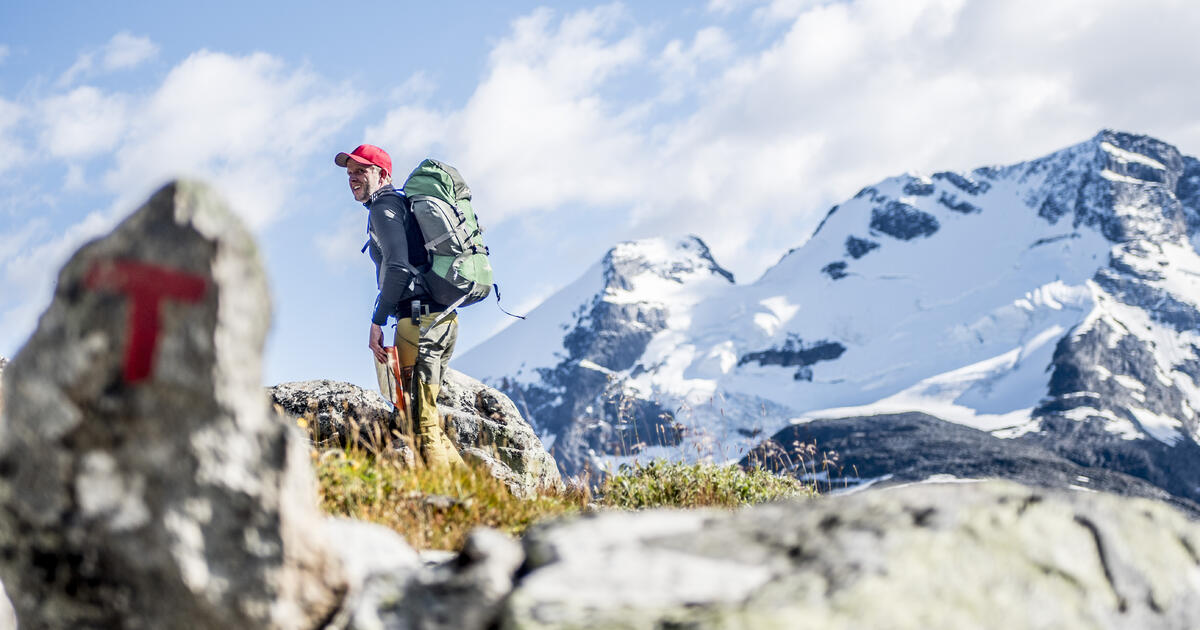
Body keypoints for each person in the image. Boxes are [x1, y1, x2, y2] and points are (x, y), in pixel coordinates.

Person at [335, 144, 465, 469]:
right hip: (437, 319)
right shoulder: (399, 206)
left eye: (361, 171)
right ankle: (475, 491)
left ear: (383, 175)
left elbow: (398, 268)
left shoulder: (384, 207)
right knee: (422, 416)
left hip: (419, 320)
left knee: (418, 423)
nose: (353, 177)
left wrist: (377, 321)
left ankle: (450, 507)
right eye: (350, 172)